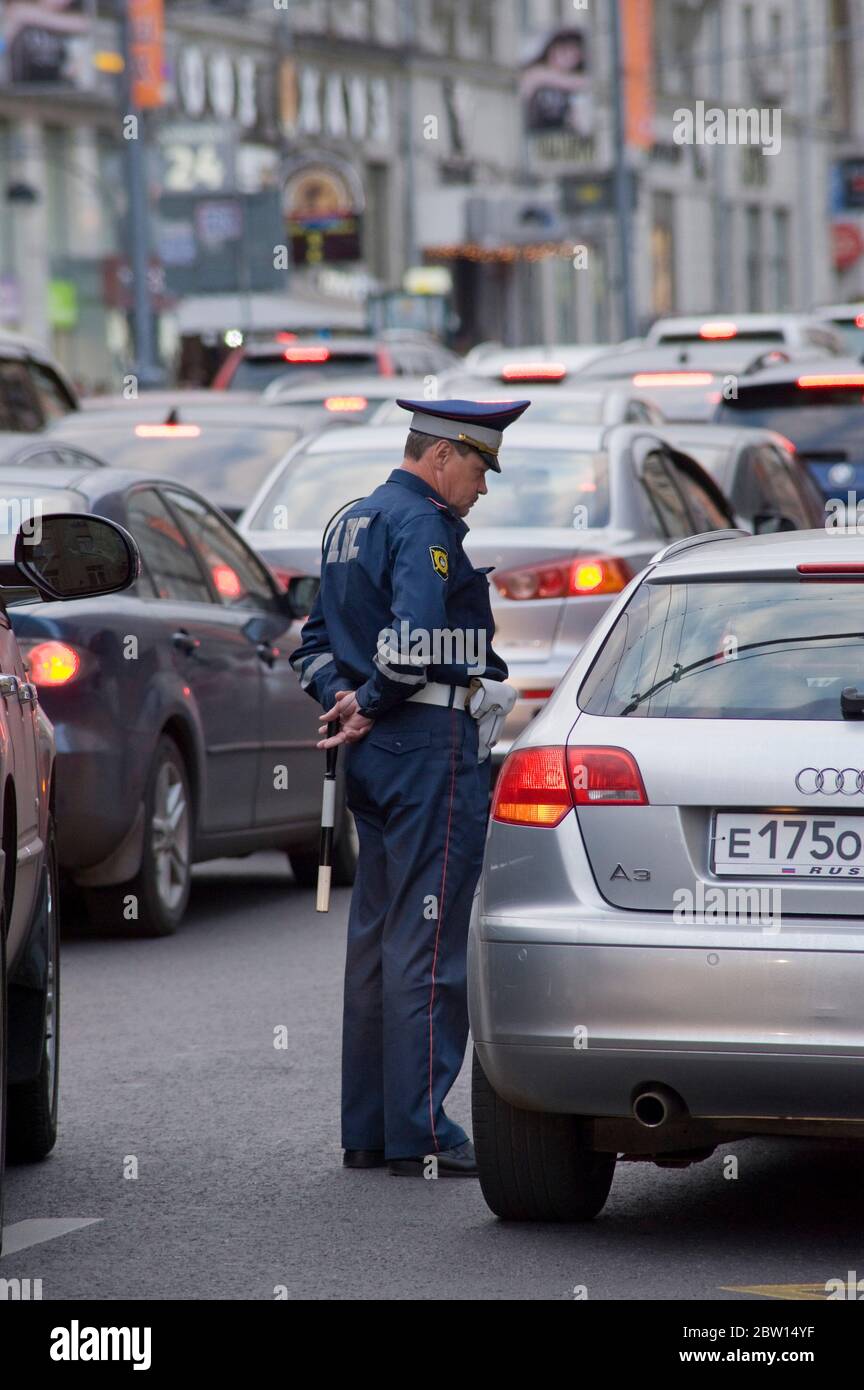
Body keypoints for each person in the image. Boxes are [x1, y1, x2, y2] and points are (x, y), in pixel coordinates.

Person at [290, 397, 529, 1177]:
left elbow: (313, 641)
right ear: (442, 457)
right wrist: (371, 699)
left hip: (373, 754)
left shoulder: (348, 520)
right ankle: (421, 1132)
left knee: (376, 942)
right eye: (478, 470)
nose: (482, 489)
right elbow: (418, 640)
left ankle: (370, 1129)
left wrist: (345, 698)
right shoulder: (423, 524)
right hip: (426, 746)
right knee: (427, 942)